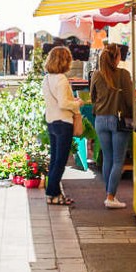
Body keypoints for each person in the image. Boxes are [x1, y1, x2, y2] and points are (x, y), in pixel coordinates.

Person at [89, 44, 135, 209]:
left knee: (107, 158)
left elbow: (93, 97)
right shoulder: (124, 74)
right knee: (117, 160)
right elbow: (130, 100)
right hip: (119, 120)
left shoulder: (96, 74)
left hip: (100, 120)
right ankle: (110, 196)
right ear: (116, 57)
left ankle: (109, 194)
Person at [42, 46, 82, 206]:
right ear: (65, 61)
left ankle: (55, 195)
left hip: (51, 121)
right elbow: (64, 103)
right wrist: (77, 103)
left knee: (54, 160)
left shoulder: (46, 79)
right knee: (60, 161)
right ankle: (51, 193)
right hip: (63, 122)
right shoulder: (61, 79)